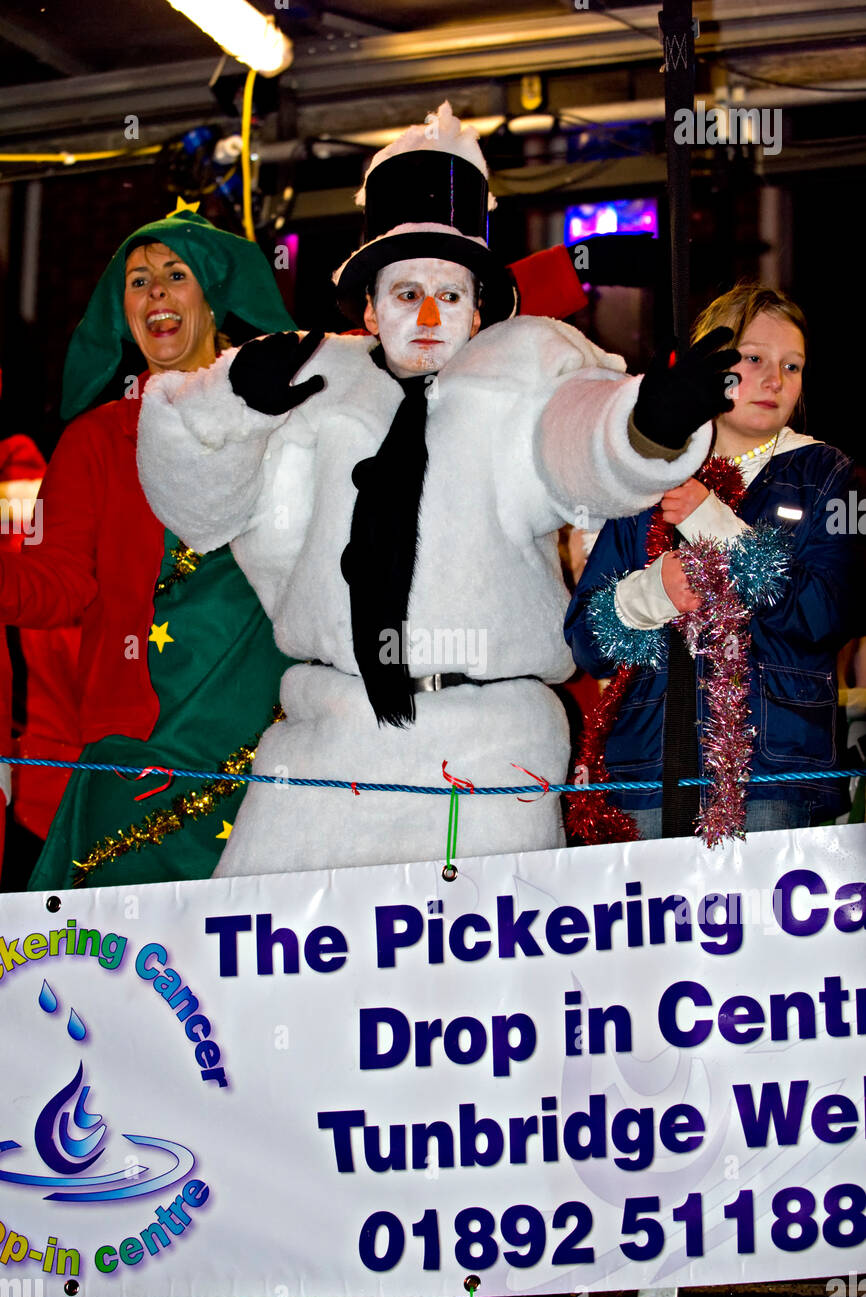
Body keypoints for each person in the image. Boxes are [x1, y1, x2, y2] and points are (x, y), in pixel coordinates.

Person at [138, 103, 737, 878]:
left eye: (449, 295)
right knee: (268, 975)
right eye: (404, 291)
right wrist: (233, 404)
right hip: (328, 750)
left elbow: (575, 446)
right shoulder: (311, 385)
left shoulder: (520, 375)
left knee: (479, 989)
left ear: (479, 309)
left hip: (488, 756)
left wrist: (646, 423)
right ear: (367, 306)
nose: (426, 314)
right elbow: (201, 506)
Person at [0, 204, 295, 889]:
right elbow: (60, 585)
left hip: (269, 737)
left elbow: (407, 333)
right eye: (137, 281)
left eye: (174, 274)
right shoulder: (95, 441)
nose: (155, 292)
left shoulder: (283, 415)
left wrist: (551, 275)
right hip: (139, 751)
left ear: (213, 294)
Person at [565, 283, 862, 840]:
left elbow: (828, 614)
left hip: (768, 778)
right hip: (645, 776)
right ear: (712, 363)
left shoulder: (828, 475)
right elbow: (586, 642)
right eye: (754, 359)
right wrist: (651, 593)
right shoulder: (649, 473)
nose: (776, 380)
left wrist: (719, 528)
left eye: (793, 366)